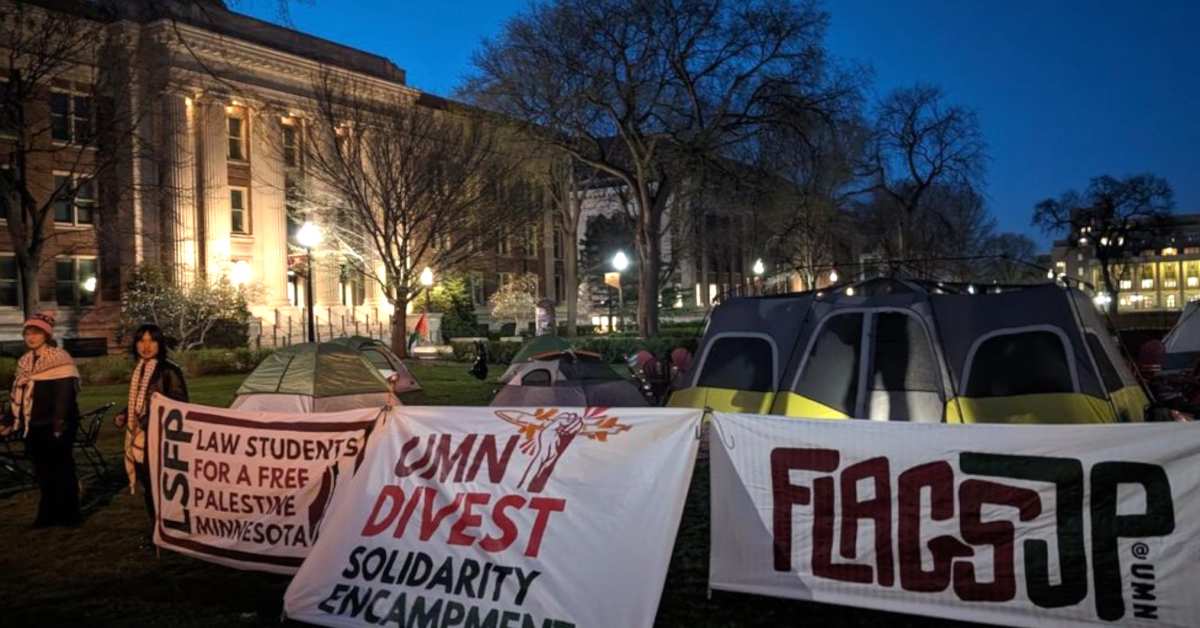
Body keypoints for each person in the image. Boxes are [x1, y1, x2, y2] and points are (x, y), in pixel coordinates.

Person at [7, 312, 82, 527]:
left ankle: (69, 515)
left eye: (36, 333)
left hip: (57, 424)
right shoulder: (25, 362)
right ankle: (48, 514)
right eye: (27, 333)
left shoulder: (60, 358)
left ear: (46, 335)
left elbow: (64, 394)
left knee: (63, 469)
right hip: (34, 425)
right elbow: (18, 394)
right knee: (43, 472)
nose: (31, 337)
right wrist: (10, 420)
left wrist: (59, 423)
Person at [114, 324, 189, 532]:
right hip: (139, 437)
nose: (146, 346)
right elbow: (139, 401)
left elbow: (179, 403)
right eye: (141, 341)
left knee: (161, 486)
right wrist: (124, 414)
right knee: (148, 485)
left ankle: (170, 528)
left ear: (160, 344)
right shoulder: (140, 370)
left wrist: (149, 421)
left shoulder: (168, 370)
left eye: (151, 340)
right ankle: (157, 528)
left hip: (161, 439)